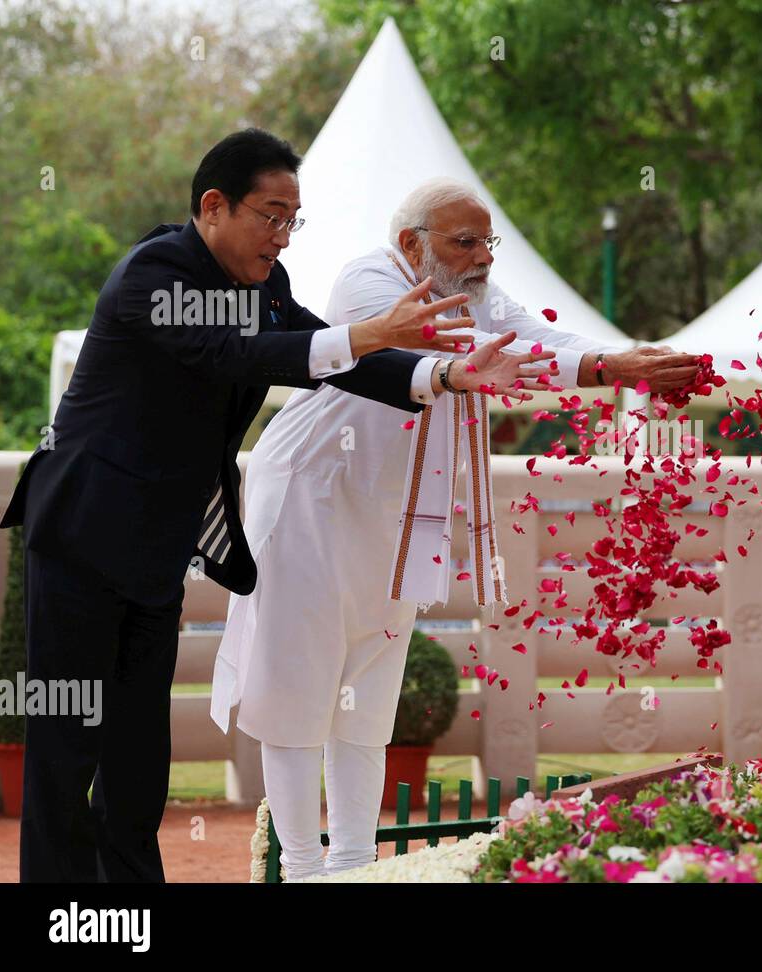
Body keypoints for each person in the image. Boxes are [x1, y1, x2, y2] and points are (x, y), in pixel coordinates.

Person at [0, 129, 546, 882]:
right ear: (215, 206)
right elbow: (240, 355)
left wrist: (446, 379)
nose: (283, 235)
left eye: (295, 220)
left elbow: (331, 358)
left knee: (137, 757)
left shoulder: (267, 282)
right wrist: (368, 333)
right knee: (67, 749)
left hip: (156, 549)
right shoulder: (156, 275)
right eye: (271, 215)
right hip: (81, 536)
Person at [210, 177, 700, 880]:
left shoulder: (476, 296)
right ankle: (305, 870)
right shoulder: (368, 280)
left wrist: (618, 363)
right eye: (465, 241)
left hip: (388, 519)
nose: (484, 257)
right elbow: (420, 363)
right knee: (297, 688)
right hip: (307, 500)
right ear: (413, 243)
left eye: (487, 242)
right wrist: (568, 369)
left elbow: (529, 342)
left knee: (368, 702)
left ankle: (352, 863)